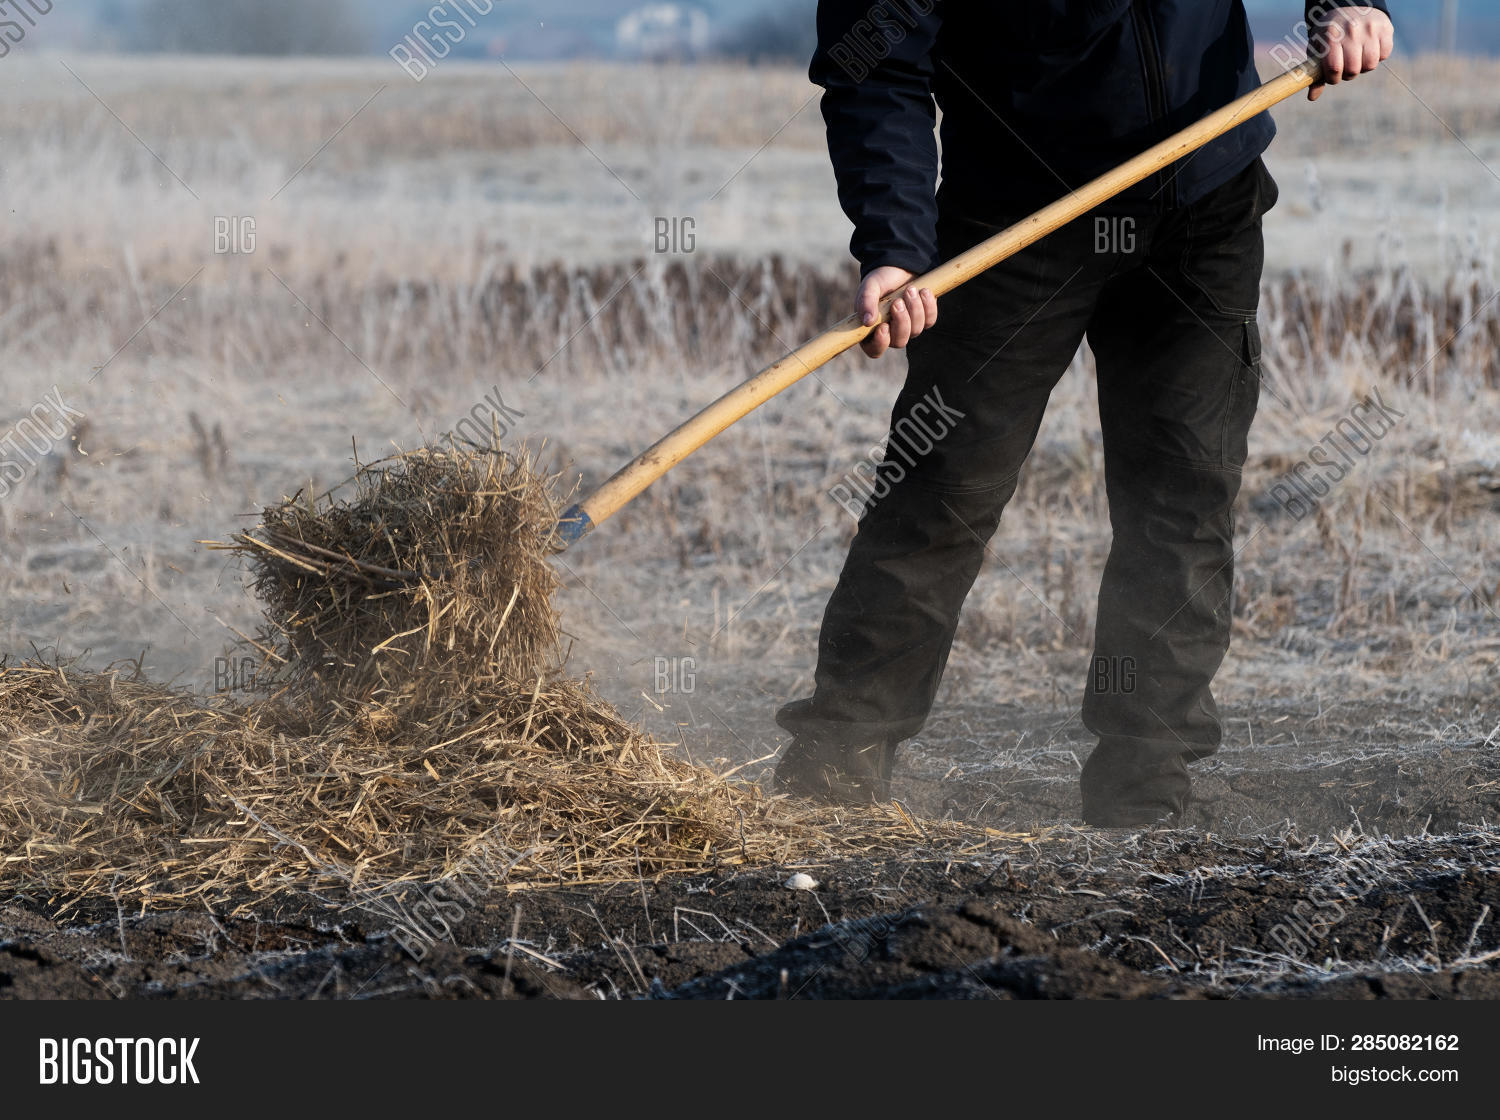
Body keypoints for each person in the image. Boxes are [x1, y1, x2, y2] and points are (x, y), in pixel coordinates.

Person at [775, 1, 1394, 826]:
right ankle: (835, 767)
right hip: (1016, 217)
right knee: (944, 487)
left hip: (1201, 198)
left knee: (1183, 493)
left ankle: (1145, 789)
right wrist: (893, 241)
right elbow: (872, 62)